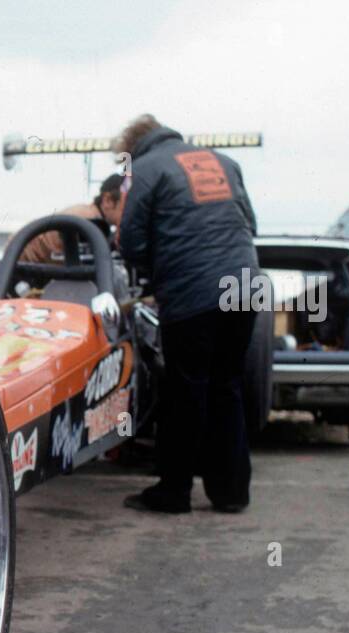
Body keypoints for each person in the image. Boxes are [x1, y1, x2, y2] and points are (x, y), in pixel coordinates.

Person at [115, 115, 259, 514]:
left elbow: (130, 240)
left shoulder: (144, 168)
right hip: (245, 286)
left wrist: (155, 272)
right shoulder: (224, 162)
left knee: (185, 389)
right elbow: (251, 223)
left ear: (133, 147)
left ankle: (173, 492)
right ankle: (231, 494)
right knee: (226, 386)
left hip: (192, 292)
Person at [14, 173, 126, 264]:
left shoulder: (85, 212)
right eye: (126, 205)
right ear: (108, 200)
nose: (128, 212)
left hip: (19, 261)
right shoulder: (89, 222)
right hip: (21, 269)